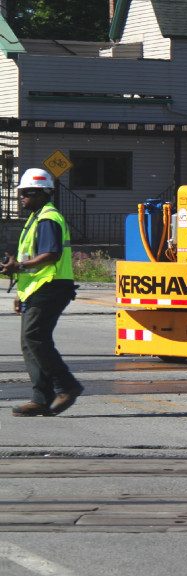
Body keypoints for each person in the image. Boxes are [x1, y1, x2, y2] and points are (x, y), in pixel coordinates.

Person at [2, 168, 82, 417]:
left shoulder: (48, 218)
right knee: (30, 343)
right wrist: (21, 292)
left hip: (52, 286)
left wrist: (20, 266)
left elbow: (51, 255)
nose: (21, 198)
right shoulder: (36, 218)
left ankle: (67, 386)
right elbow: (32, 257)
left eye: (25, 193)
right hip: (38, 288)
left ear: (40, 193)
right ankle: (41, 399)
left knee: (35, 337)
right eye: (21, 193)